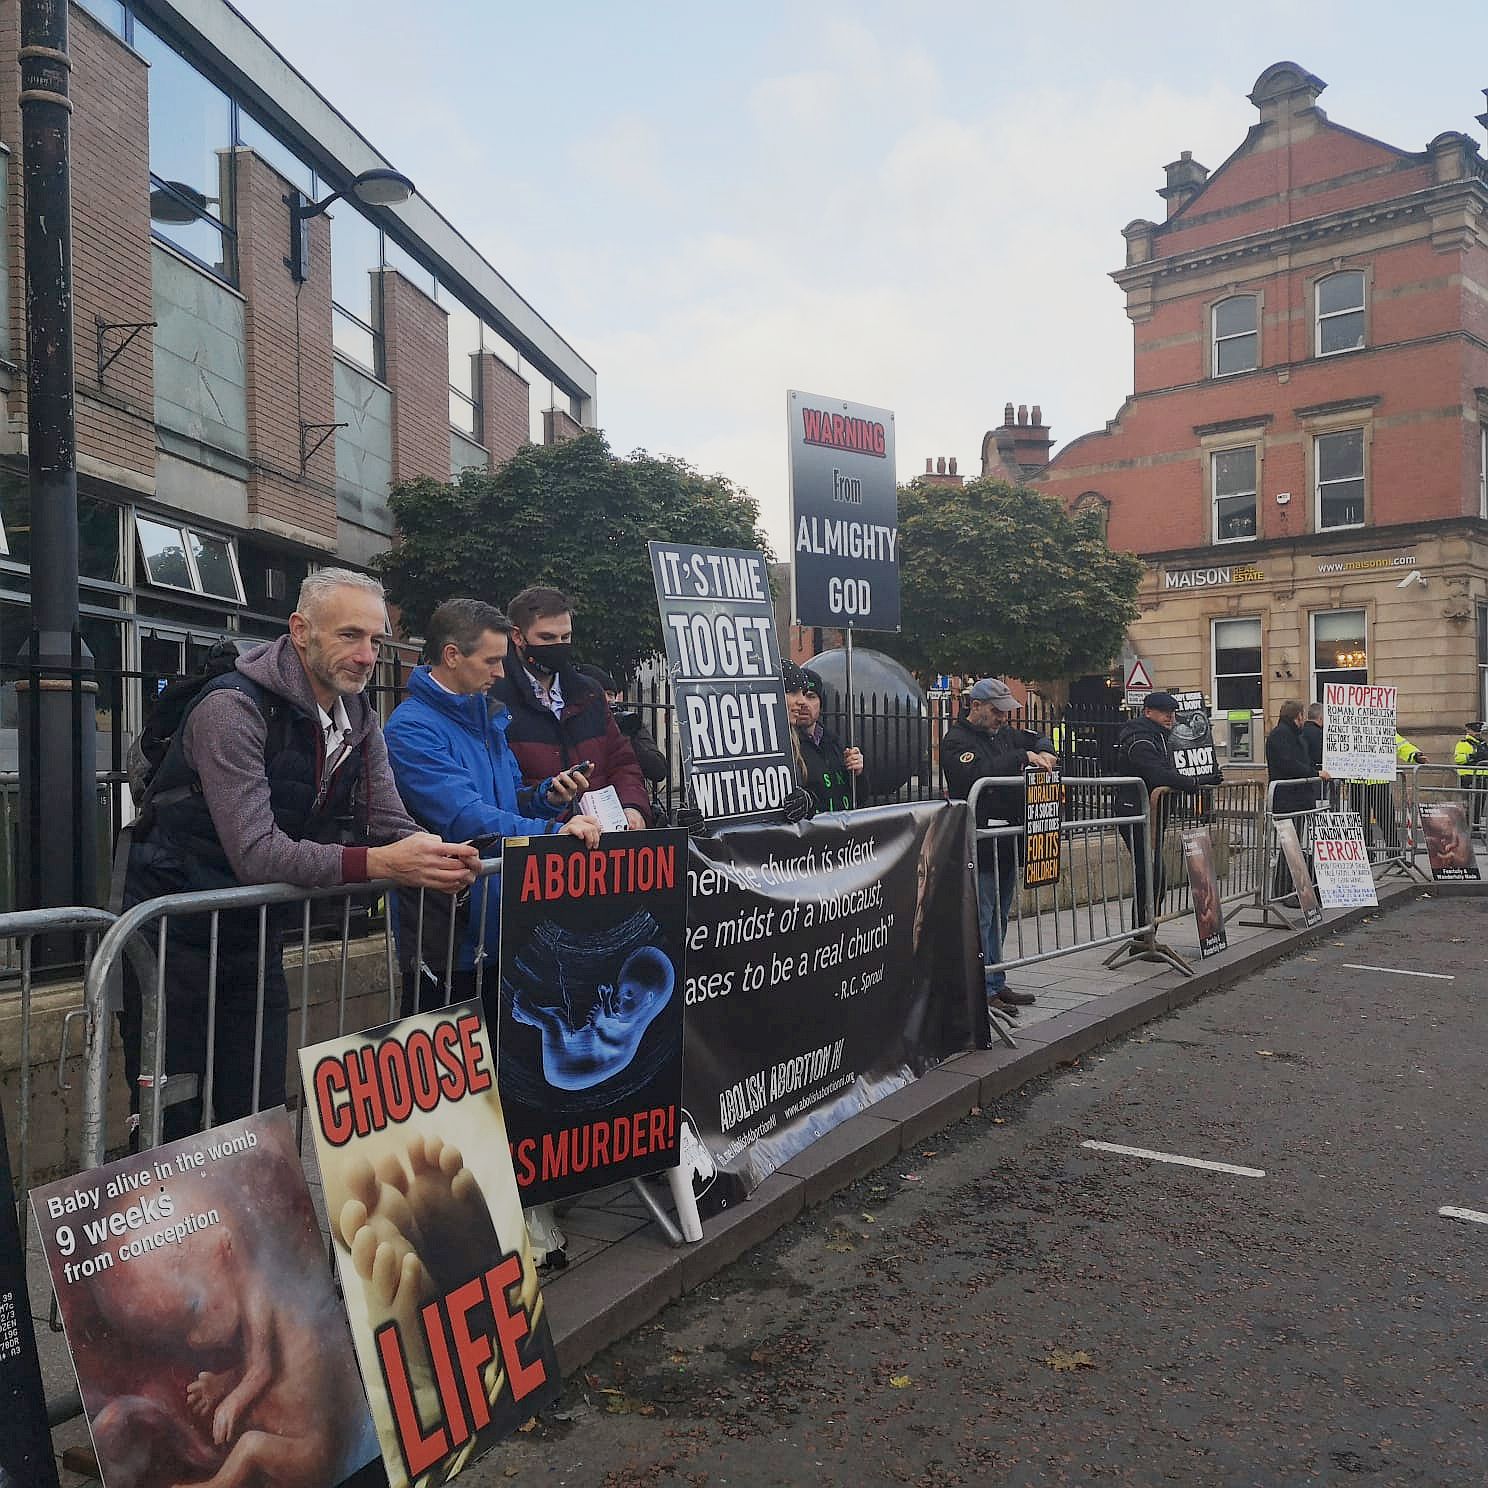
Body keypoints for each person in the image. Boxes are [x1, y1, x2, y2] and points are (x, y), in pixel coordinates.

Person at [120, 570, 480, 1142]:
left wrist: (442, 857)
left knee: (256, 1111)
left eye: (377, 641)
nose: (366, 656)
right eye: (350, 636)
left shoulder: (358, 719)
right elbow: (258, 853)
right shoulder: (232, 708)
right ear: (300, 631)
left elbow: (389, 822)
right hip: (170, 936)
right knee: (175, 1123)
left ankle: (254, 1232)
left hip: (252, 931)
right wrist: (385, 864)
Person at [384, 599, 602, 1020]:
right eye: (491, 661)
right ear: (451, 655)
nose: (501, 673)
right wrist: (551, 831)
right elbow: (465, 816)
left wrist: (546, 797)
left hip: (497, 924)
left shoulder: (486, 718)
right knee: (449, 1077)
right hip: (445, 932)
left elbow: (507, 797)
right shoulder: (411, 728)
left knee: (501, 1065)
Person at [940, 677, 1055, 1016]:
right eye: (996, 711)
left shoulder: (1004, 734)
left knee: (1001, 916)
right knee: (983, 917)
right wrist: (1023, 756)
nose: (1003, 718)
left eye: (1007, 711)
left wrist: (1045, 751)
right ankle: (981, 986)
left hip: (1006, 842)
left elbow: (1037, 737)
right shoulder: (955, 741)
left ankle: (995, 979)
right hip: (978, 842)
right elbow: (974, 776)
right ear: (975, 706)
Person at [494, 587, 652, 828]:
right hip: (539, 845)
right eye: (547, 638)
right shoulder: (494, 698)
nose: (558, 645)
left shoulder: (589, 693)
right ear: (517, 637)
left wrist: (632, 807)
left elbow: (622, 761)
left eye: (565, 637)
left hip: (603, 840)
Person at [1113, 692, 1220, 929]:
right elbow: (1157, 773)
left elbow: (1172, 770)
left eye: (1171, 713)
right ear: (1148, 712)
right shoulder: (1140, 739)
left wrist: (1202, 776)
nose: (1169, 717)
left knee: (1155, 876)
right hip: (1136, 813)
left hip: (1153, 812)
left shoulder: (1162, 737)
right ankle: (1142, 934)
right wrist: (1195, 783)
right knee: (1150, 874)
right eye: (1164, 712)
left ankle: (1147, 931)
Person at [783, 661, 866, 814]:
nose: (803, 703)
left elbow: (859, 798)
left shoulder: (836, 743)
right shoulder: (784, 745)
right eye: (796, 693)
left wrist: (858, 774)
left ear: (821, 703)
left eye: (810, 696)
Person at [1267, 699, 1327, 897]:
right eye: (1302, 715)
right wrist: (1313, 774)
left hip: (1298, 799)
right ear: (1298, 716)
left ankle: (1289, 890)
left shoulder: (1295, 736)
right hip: (1287, 799)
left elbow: (1302, 761)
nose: (1304, 719)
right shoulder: (1280, 736)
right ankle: (1282, 891)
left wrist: (1314, 771)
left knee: (1293, 847)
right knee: (1289, 847)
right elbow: (1289, 764)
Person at [575, 663, 669, 786]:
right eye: (601, 693)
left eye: (610, 694)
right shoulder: (572, 722)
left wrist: (625, 736)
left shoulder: (626, 722)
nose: (607, 699)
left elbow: (658, 770)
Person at [1453, 721, 1488, 830]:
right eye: (1475, 731)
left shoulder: (1483, 744)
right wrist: (1473, 757)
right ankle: (1470, 827)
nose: (1478, 733)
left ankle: (1474, 826)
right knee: (1472, 804)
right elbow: (1458, 759)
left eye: (1479, 731)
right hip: (1469, 777)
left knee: (1479, 804)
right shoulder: (1464, 743)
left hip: (1483, 777)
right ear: (1469, 731)